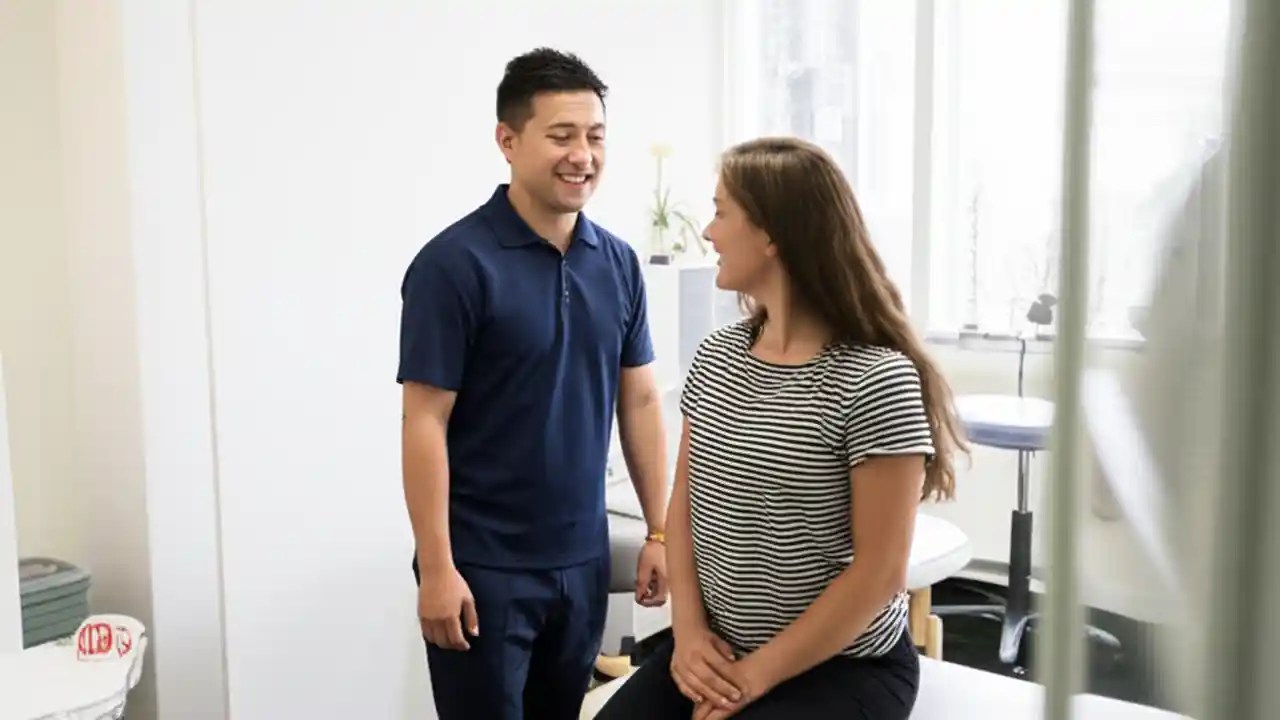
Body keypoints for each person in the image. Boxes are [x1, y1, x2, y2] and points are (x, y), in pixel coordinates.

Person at [596, 137, 967, 720]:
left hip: (844, 667)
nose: (708, 233)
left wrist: (751, 679)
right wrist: (688, 636)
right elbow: (684, 507)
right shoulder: (716, 358)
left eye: (721, 213)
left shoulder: (876, 379)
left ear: (771, 235)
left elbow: (879, 576)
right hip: (720, 647)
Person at [397, 48, 671, 720]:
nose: (582, 155)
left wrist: (660, 531)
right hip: (481, 567)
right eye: (561, 136)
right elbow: (424, 420)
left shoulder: (619, 263)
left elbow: (638, 399)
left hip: (581, 559)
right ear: (508, 140)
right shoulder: (453, 265)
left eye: (595, 136)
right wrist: (437, 566)